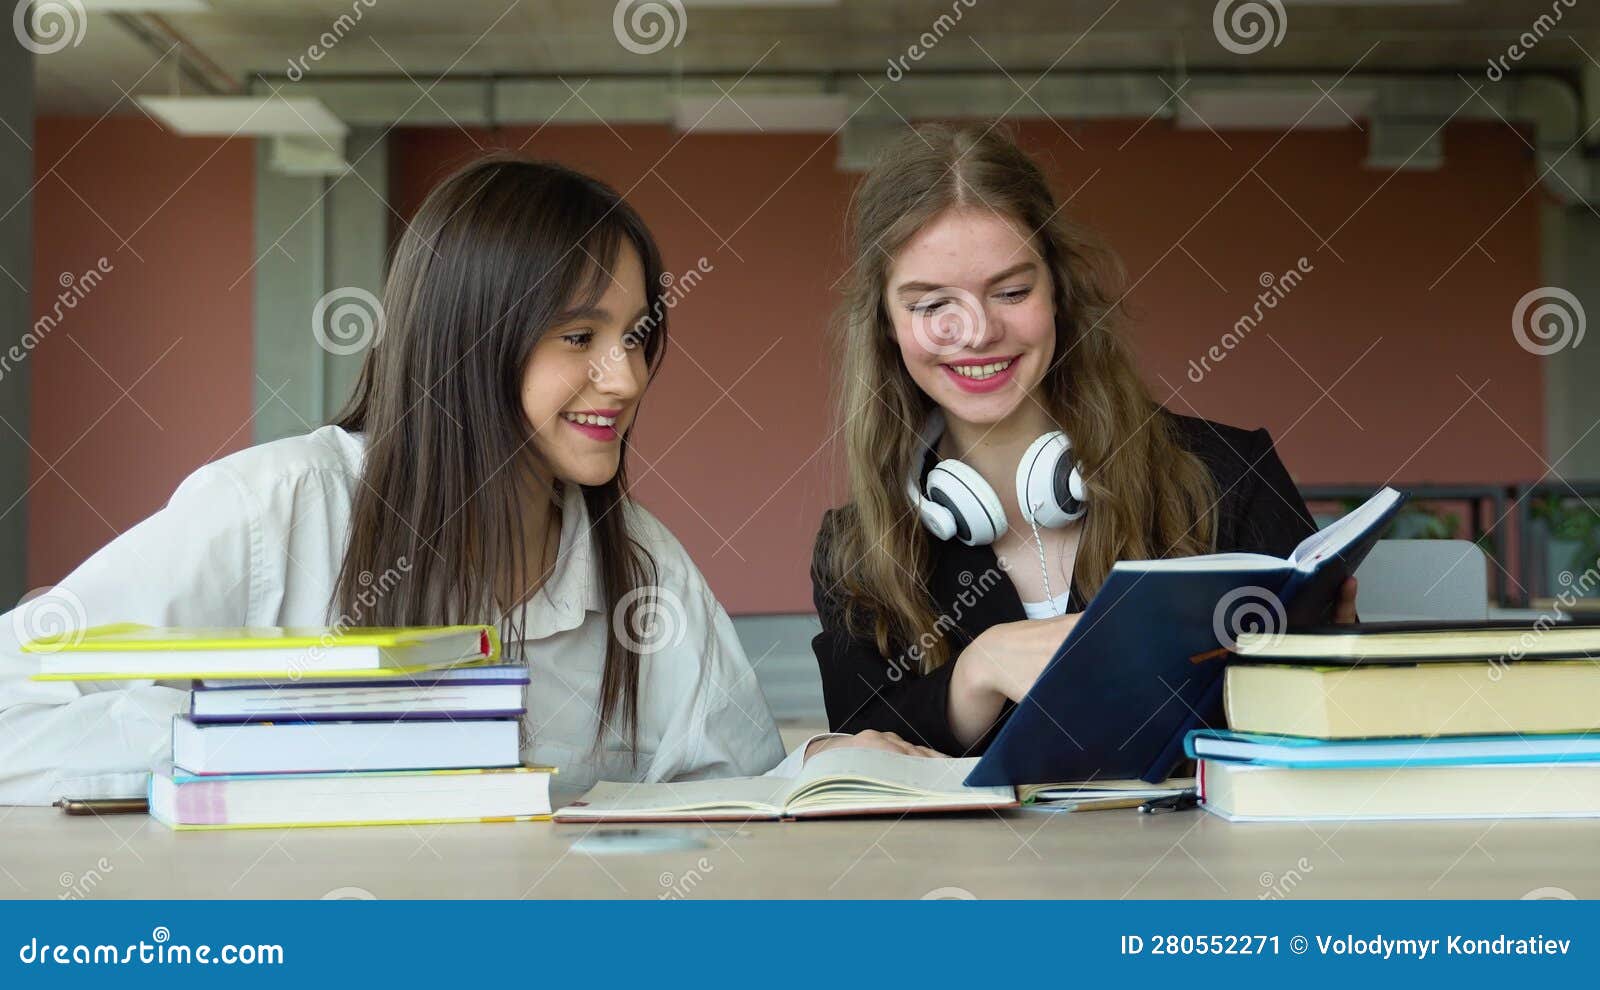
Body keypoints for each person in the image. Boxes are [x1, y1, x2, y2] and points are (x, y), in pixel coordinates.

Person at [0, 154, 894, 807]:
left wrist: (824, 768)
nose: (624, 379)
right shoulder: (275, 509)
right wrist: (250, 748)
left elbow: (723, 790)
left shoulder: (643, 571)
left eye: (635, 337)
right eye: (579, 339)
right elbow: (13, 703)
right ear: (466, 343)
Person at [808, 124, 1357, 757]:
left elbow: (1317, 727)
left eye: (1012, 292)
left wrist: (1332, 670)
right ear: (887, 325)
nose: (978, 331)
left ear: (1059, 292)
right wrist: (976, 673)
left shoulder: (1227, 476)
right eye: (932, 304)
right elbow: (858, 763)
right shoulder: (855, 553)